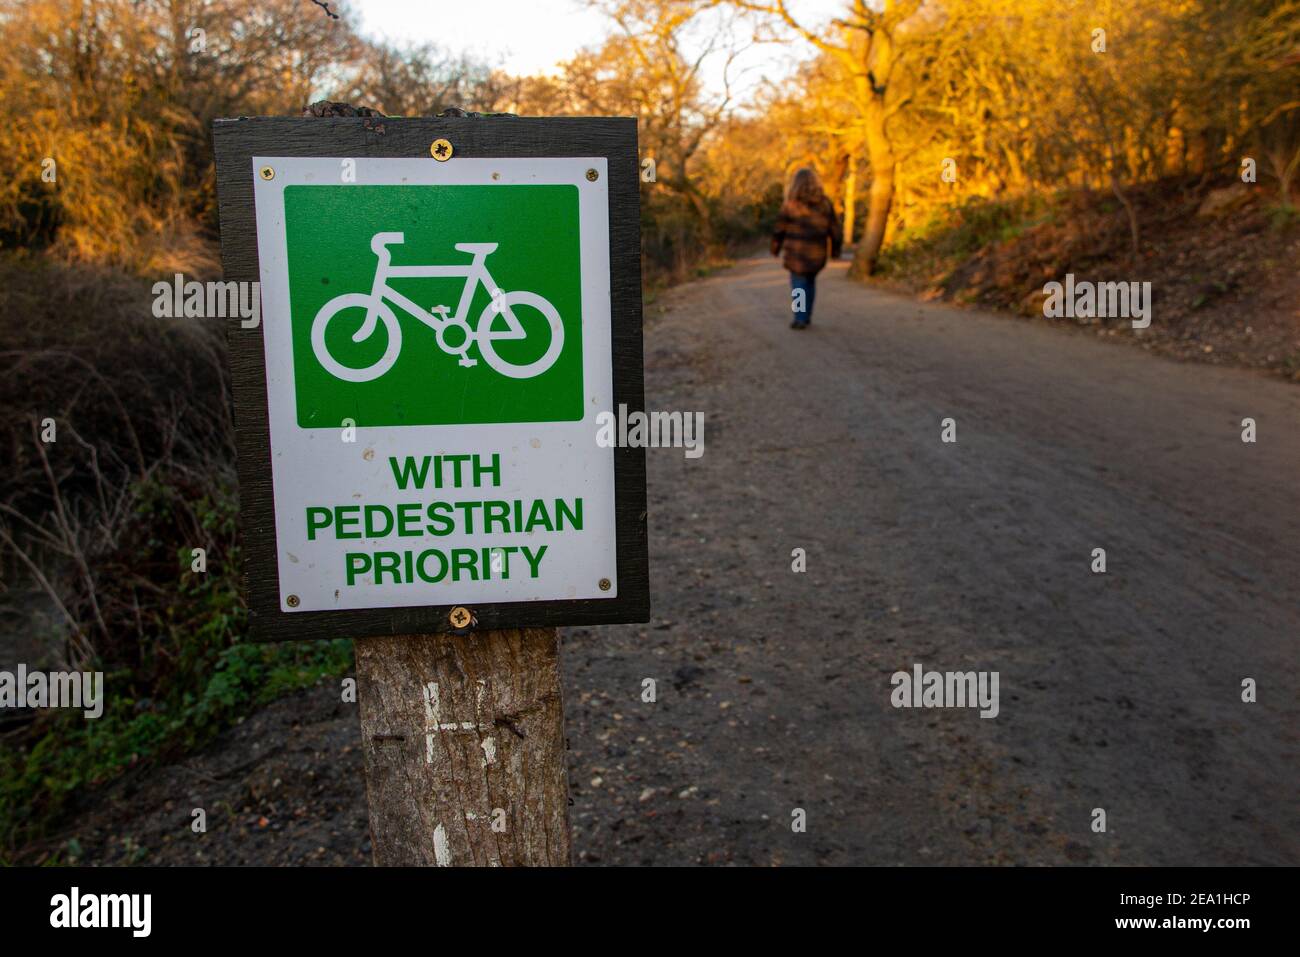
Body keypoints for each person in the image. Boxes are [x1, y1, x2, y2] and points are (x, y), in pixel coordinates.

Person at [771, 167, 842, 329]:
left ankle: (800, 318)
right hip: (817, 253)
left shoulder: (790, 205)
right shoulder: (825, 204)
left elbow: (779, 229)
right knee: (809, 283)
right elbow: (835, 229)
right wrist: (835, 250)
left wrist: (775, 248)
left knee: (798, 285)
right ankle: (806, 315)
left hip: (796, 254)